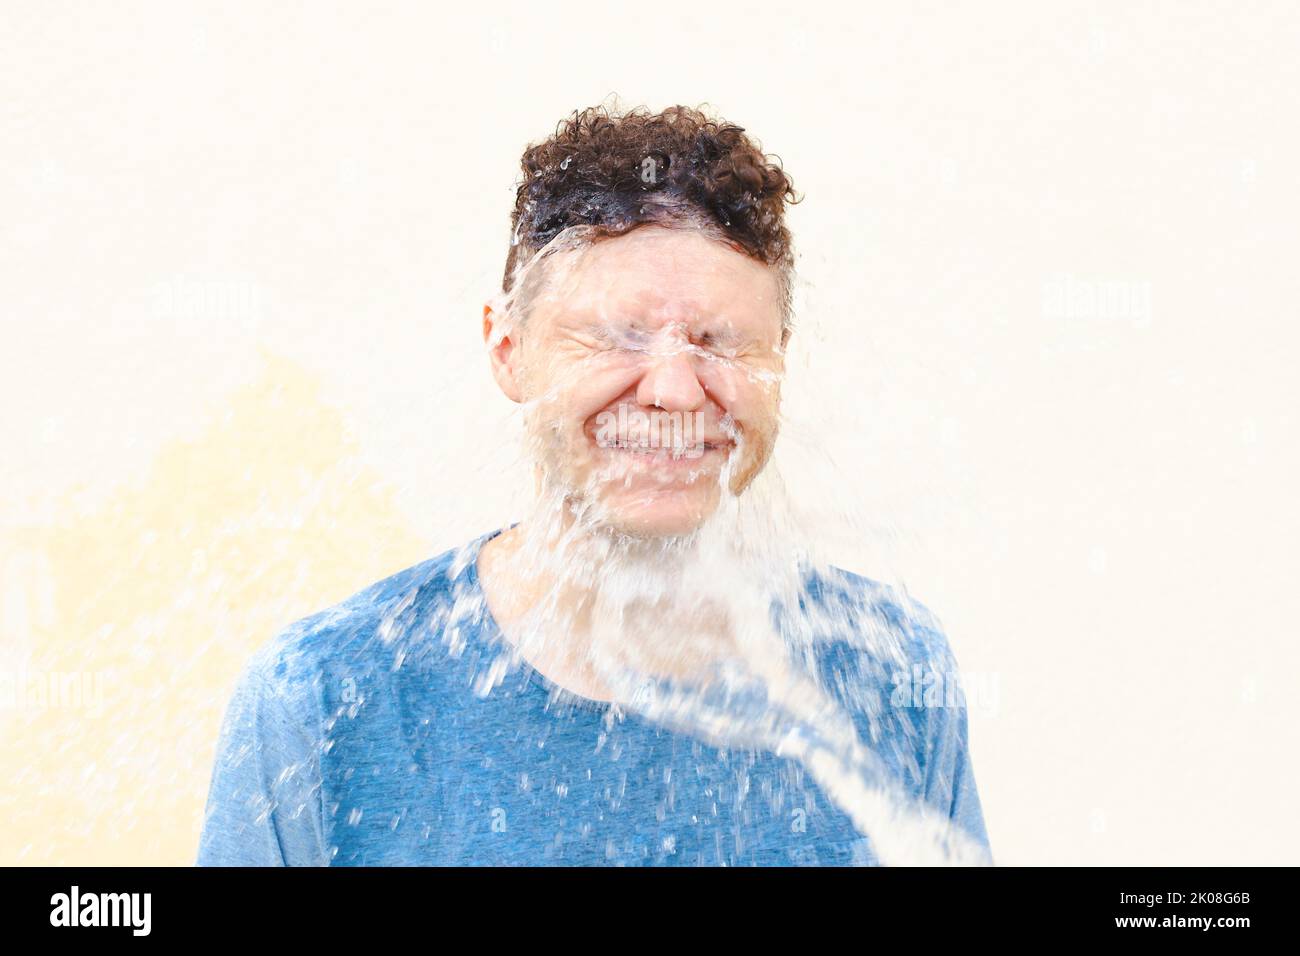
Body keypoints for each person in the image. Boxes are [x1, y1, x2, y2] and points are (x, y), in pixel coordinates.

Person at [196, 104, 992, 866]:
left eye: (723, 342)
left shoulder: (889, 672)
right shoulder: (324, 699)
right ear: (507, 348)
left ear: (778, 361)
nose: (677, 390)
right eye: (615, 336)